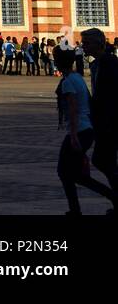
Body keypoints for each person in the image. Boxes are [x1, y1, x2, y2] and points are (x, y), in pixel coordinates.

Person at [54, 45, 115, 214]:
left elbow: (73, 110)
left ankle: (108, 197)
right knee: (75, 174)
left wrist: (73, 136)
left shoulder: (68, 82)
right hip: (86, 129)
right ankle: (76, 209)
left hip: (79, 131)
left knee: (66, 172)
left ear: (58, 62)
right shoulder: (77, 77)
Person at [81, 28, 118, 210]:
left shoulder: (111, 63)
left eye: (87, 43)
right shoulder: (96, 64)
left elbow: (111, 94)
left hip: (110, 121)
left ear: (98, 43)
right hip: (102, 120)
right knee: (104, 161)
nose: (83, 46)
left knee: (102, 160)